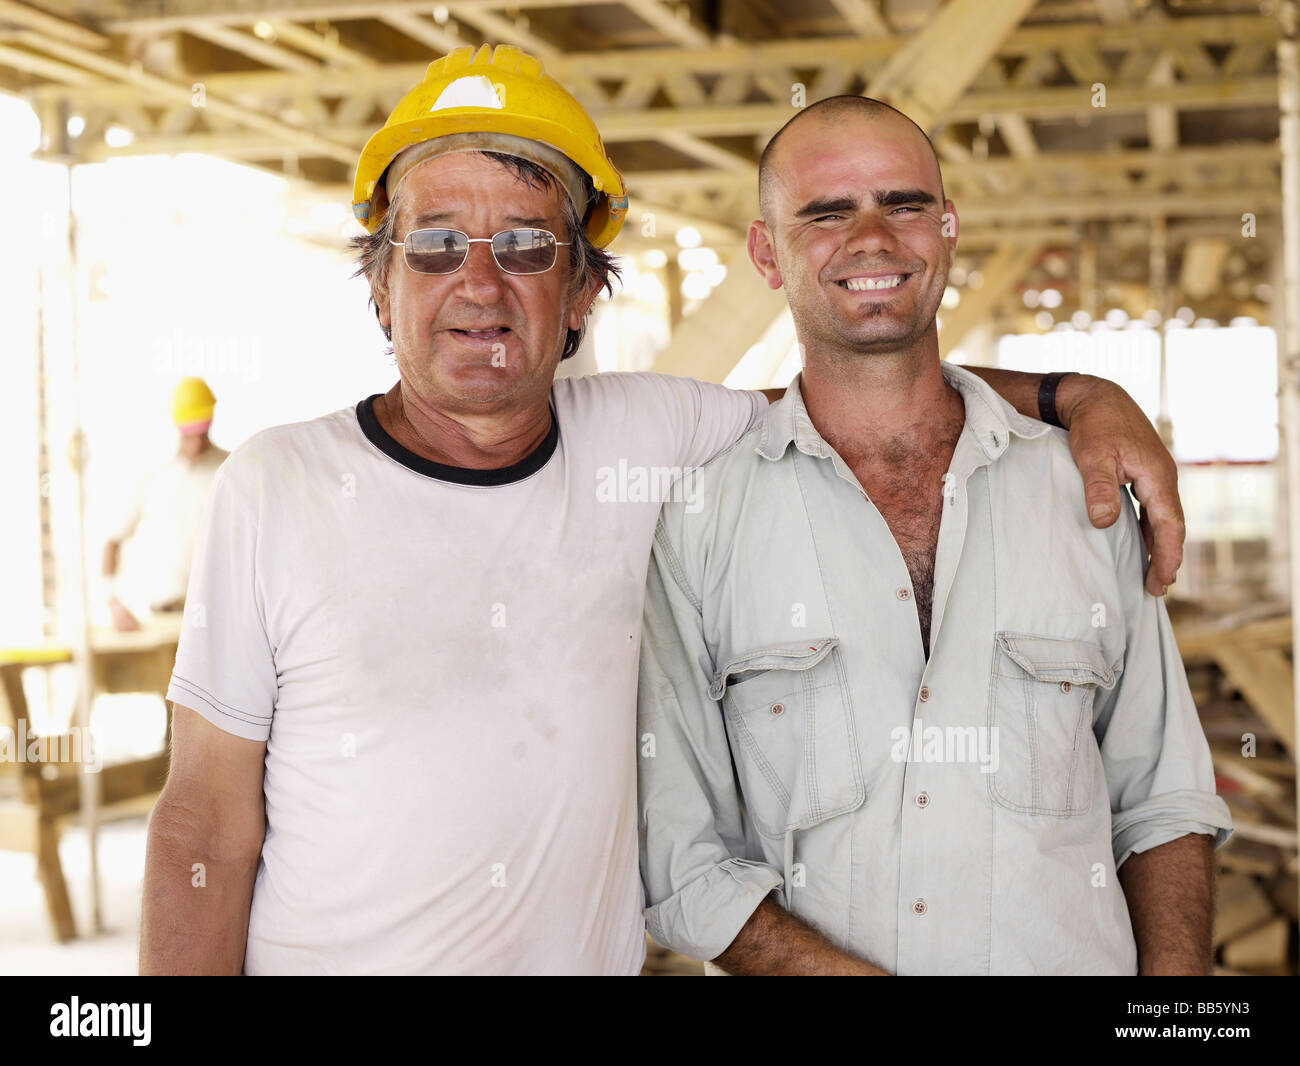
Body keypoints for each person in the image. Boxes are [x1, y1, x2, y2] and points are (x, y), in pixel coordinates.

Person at [141, 45, 1188, 976]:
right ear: (380, 284)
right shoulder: (277, 487)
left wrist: (1078, 396)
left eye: (527, 245)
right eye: (435, 243)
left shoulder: (640, 440)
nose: (480, 283)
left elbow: (868, 383)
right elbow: (201, 826)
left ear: (582, 294)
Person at [636, 96, 1232, 976]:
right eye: (825, 213)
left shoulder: (1084, 490)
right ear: (765, 253)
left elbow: (1164, 799)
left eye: (904, 204)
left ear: (947, 229)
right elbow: (683, 865)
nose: (871, 238)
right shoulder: (697, 518)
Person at [101, 377, 228, 632]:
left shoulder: (228, 470)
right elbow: (111, 542)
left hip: (215, 617)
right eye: (190, 432)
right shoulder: (152, 475)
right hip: (162, 617)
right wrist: (112, 601)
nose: (197, 441)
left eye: (201, 431)